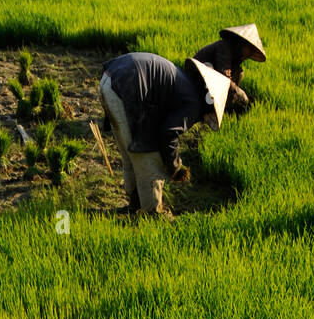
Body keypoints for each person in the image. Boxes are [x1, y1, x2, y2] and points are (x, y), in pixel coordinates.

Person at [99, 52, 231, 217]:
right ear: (209, 102)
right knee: (149, 157)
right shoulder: (194, 104)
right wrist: (174, 166)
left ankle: (135, 205)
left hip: (110, 77)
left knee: (131, 153)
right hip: (128, 84)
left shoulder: (184, 84)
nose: (206, 120)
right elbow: (168, 133)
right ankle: (152, 213)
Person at [193, 24, 266, 115]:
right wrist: (239, 92)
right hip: (197, 77)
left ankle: (223, 107)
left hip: (213, 77)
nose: (249, 54)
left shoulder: (236, 55)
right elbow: (224, 76)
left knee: (239, 73)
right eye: (250, 49)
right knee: (217, 74)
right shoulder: (225, 47)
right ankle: (209, 108)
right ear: (243, 43)